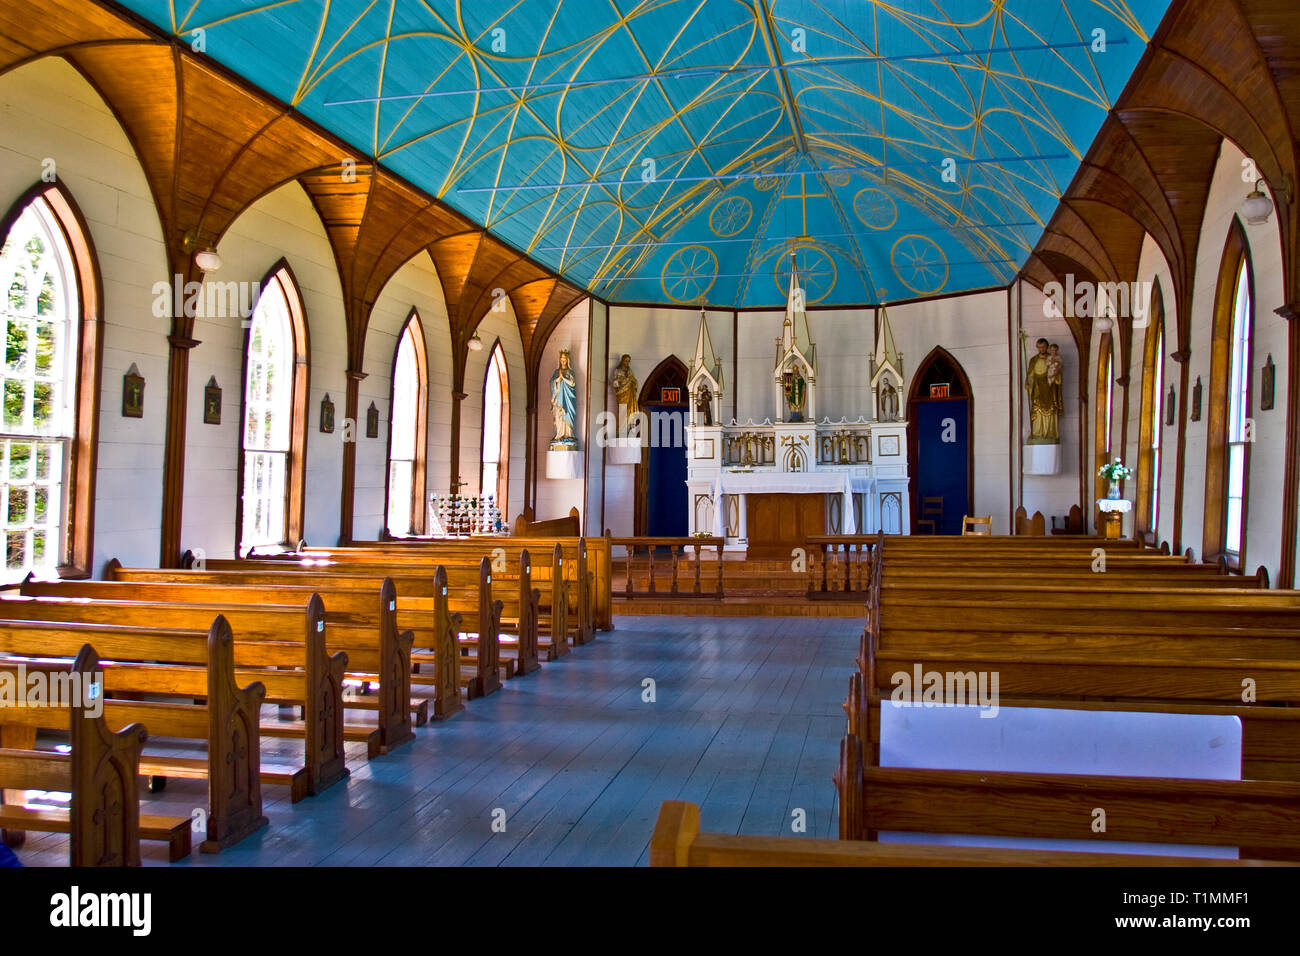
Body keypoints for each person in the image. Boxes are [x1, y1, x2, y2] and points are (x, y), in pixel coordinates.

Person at [1026, 337, 1058, 443]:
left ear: (1047, 347)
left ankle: (1049, 432)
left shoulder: (1052, 359)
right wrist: (1028, 383)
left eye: (1043, 347)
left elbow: (1057, 374)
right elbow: (1030, 375)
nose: (1041, 349)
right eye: (1039, 347)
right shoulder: (1033, 360)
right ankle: (1037, 432)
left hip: (1049, 388)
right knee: (1037, 410)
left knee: (1050, 410)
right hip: (1038, 389)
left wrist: (1055, 374)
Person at [550, 349, 578, 449]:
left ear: (568, 360)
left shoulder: (571, 372)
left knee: (568, 415)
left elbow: (572, 384)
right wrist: (558, 379)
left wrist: (564, 378)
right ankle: (559, 434)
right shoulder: (556, 372)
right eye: (561, 360)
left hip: (568, 400)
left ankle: (568, 434)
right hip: (559, 399)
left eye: (565, 360)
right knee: (559, 415)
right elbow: (552, 383)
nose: (563, 362)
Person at [610, 354, 638, 432]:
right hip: (622, 394)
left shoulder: (630, 371)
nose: (627, 363)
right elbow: (614, 383)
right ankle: (622, 429)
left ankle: (629, 428)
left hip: (630, 393)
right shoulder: (617, 370)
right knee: (622, 410)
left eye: (629, 361)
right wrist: (623, 381)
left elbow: (634, 381)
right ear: (622, 361)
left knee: (630, 410)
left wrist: (633, 382)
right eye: (626, 361)